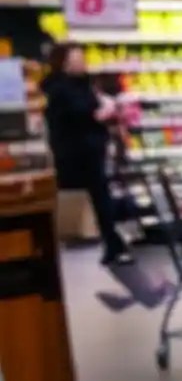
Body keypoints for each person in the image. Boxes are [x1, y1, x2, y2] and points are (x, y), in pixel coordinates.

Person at [42, 44, 131, 265]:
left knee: (101, 196)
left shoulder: (81, 84)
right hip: (77, 152)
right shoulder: (59, 88)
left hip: (90, 149)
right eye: (77, 58)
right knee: (99, 196)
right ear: (64, 62)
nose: (83, 62)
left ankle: (112, 242)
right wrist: (100, 114)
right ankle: (111, 242)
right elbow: (78, 113)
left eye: (83, 58)